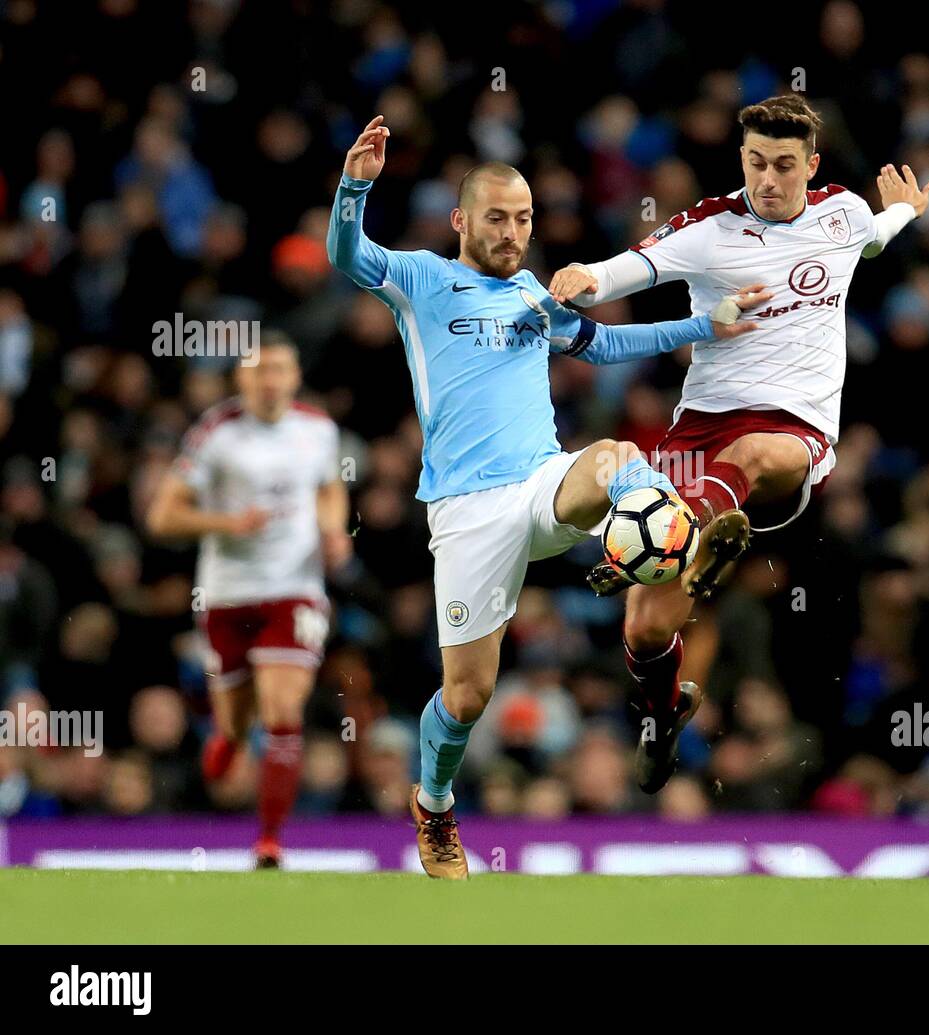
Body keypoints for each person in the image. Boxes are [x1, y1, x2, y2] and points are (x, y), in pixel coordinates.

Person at [327, 116, 767, 878]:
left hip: (541, 482)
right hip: (467, 510)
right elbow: (347, 256)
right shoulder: (424, 280)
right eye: (497, 217)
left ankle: (670, 540)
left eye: (524, 218)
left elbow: (603, 345)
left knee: (617, 456)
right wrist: (355, 184)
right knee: (467, 696)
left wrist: (706, 323)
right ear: (462, 219)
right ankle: (433, 804)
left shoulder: (535, 293)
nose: (513, 232)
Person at [548, 94, 929, 792]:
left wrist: (905, 210)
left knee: (755, 453)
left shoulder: (842, 211)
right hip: (700, 431)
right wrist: (587, 279)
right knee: (642, 627)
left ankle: (683, 539)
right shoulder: (709, 228)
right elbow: (637, 265)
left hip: (794, 429)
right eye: (756, 162)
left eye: (785, 165)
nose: (768, 179)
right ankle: (662, 715)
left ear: (810, 166)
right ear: (743, 159)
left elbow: (871, 238)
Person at [146, 333, 351, 867]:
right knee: (236, 725)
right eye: (260, 372)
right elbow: (163, 516)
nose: (270, 382)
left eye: (280, 370)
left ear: (295, 376)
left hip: (295, 589)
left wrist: (333, 531)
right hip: (227, 594)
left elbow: (330, 487)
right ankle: (229, 739)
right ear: (241, 380)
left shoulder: (317, 429)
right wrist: (226, 523)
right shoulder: (216, 434)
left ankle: (269, 841)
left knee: (283, 710)